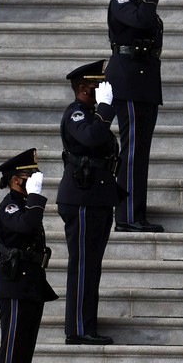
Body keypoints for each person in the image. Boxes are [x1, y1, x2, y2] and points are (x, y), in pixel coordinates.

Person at [57, 60, 122, 345]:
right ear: (84, 88)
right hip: (82, 199)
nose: (104, 89)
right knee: (83, 264)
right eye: (98, 86)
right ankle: (79, 330)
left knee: (91, 265)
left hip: (95, 197)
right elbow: (93, 138)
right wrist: (106, 109)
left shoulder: (91, 115)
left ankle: (86, 325)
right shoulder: (76, 115)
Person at [0, 149, 58, 363]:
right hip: (14, 282)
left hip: (29, 282)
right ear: (15, 180)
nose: (34, 178)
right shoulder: (11, 206)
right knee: (12, 353)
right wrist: (35, 198)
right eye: (29, 175)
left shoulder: (23, 203)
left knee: (24, 353)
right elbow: (27, 225)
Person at [107, 0, 164, 232]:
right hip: (129, 81)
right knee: (132, 151)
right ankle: (128, 216)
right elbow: (141, 21)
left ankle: (135, 212)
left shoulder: (137, 0)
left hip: (142, 81)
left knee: (140, 151)